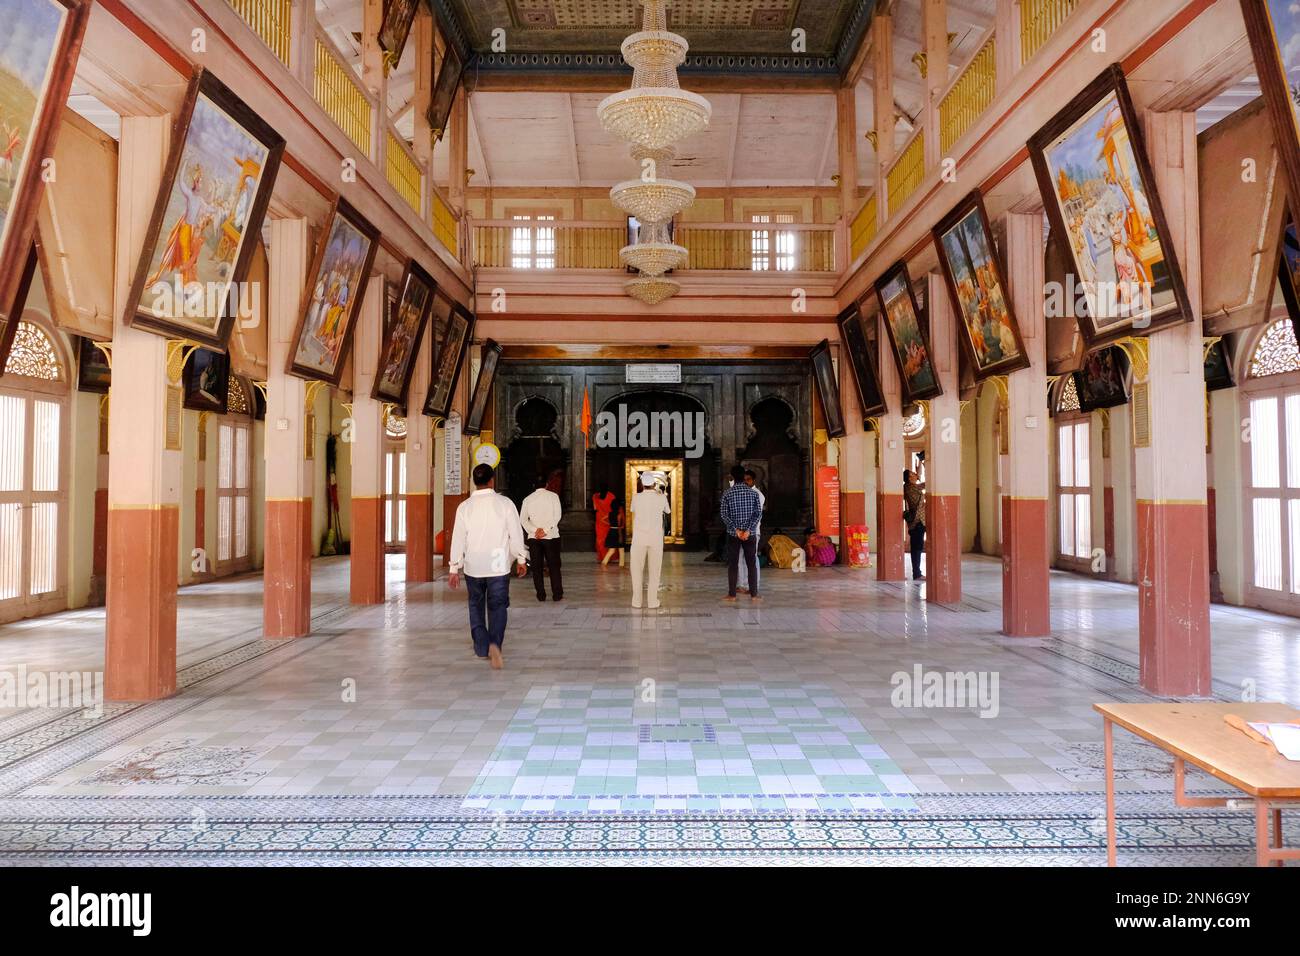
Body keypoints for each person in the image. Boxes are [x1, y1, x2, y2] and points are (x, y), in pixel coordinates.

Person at [447, 463, 529, 669]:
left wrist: (453, 567)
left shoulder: (464, 507)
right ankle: (495, 644)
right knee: (498, 606)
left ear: (475, 482)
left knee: (475, 605)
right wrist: (521, 558)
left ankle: (482, 646)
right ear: (492, 480)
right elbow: (515, 534)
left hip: (474, 565)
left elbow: (458, 538)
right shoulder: (505, 504)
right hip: (498, 564)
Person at [720, 464, 762, 602]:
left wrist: (736, 530)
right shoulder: (754, 493)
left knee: (733, 564)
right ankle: (754, 595)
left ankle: (732, 595)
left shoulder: (727, 493)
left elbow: (724, 515)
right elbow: (757, 514)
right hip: (749, 535)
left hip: (733, 535)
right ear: (744, 476)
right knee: (751, 564)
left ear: (732, 477)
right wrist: (748, 530)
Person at [628, 475, 671, 609]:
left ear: (642, 484)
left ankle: (637, 602)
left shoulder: (636, 497)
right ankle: (652, 602)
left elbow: (632, 510)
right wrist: (660, 494)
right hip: (655, 539)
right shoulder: (661, 497)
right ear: (654, 484)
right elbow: (668, 511)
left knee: (636, 570)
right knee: (654, 571)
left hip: (639, 539)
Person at [519, 474, 563, 602]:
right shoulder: (553, 497)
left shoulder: (527, 499)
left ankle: (541, 594)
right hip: (552, 537)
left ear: (534, 486)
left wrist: (535, 530)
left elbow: (523, 520)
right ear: (547, 484)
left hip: (534, 538)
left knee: (537, 567)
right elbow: (557, 516)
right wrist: (545, 530)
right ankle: (557, 594)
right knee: (554, 566)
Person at [736, 469, 765, 594]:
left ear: (753, 481)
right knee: (740, 558)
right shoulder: (742, 493)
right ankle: (742, 584)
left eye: (748, 479)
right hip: (740, 531)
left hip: (752, 531)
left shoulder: (758, 494)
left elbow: (755, 515)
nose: (746, 482)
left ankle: (754, 585)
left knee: (752, 558)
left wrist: (747, 530)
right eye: (744, 480)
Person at [904, 467, 927, 582]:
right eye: (913, 474)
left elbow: (924, 485)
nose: (916, 474)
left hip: (920, 522)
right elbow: (919, 501)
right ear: (909, 478)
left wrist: (923, 466)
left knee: (918, 547)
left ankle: (917, 573)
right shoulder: (909, 488)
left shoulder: (913, 487)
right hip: (916, 522)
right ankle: (917, 574)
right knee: (916, 549)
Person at [592, 483, 616, 562]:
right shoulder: (611, 496)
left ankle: (602, 557)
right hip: (609, 519)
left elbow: (595, 509)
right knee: (609, 539)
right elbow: (614, 508)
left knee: (600, 539)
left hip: (599, 520)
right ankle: (609, 557)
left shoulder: (595, 496)